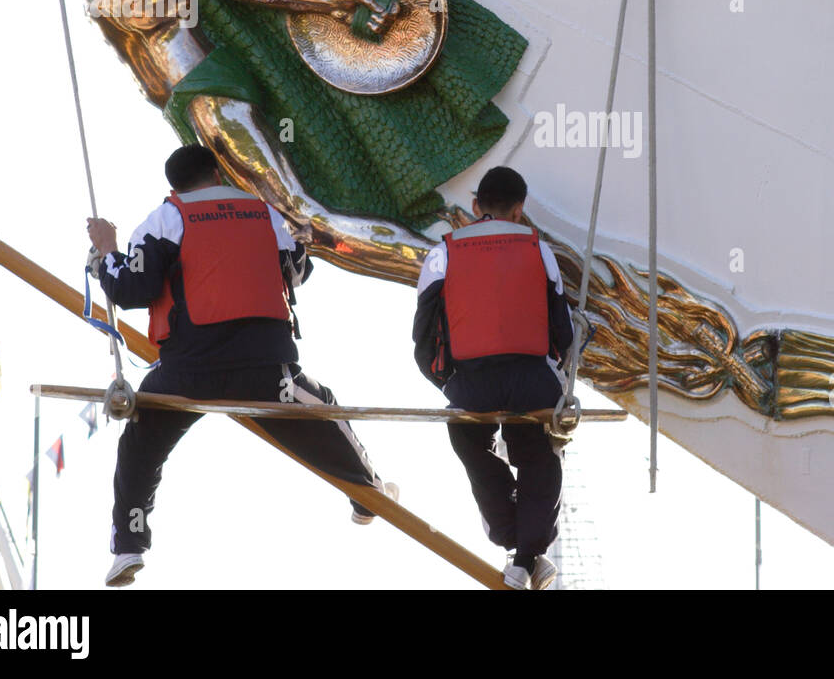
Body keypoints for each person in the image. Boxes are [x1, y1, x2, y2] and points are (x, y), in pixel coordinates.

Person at [87, 145, 396, 587]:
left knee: (139, 449)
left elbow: (132, 290)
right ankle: (368, 494)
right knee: (323, 411)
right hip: (267, 369)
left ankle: (129, 547)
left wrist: (106, 252)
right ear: (217, 171)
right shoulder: (265, 213)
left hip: (186, 371)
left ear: (174, 187)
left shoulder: (164, 219)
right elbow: (295, 275)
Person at [413, 166, 575, 590]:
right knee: (541, 456)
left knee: (468, 441)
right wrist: (554, 374)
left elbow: (423, 333)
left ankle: (512, 540)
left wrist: (447, 382)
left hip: (472, 380)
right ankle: (526, 555)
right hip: (531, 376)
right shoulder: (540, 250)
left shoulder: (443, 251)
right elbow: (565, 330)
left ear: (475, 206)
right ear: (519, 211)